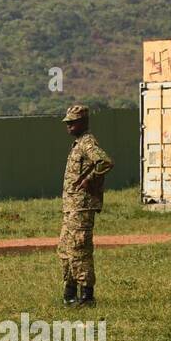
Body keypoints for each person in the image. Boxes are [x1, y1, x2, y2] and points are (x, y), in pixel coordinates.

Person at [58, 105, 113, 307]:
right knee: (65, 250)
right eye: (68, 123)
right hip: (72, 207)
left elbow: (105, 162)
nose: (69, 126)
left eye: (72, 122)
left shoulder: (87, 143)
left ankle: (86, 296)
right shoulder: (78, 143)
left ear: (83, 122)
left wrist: (89, 180)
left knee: (80, 250)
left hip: (82, 207)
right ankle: (69, 293)